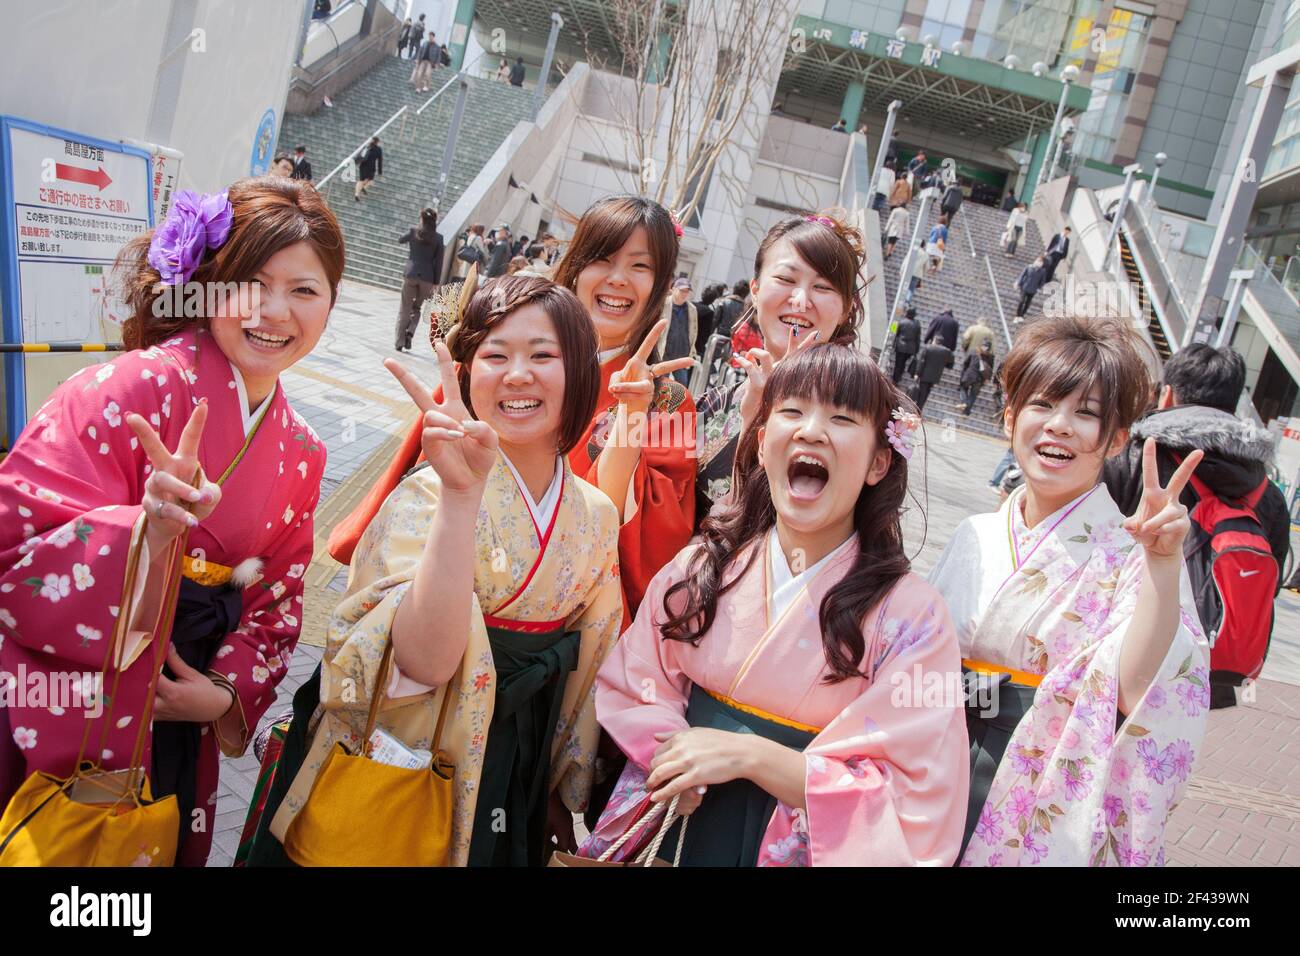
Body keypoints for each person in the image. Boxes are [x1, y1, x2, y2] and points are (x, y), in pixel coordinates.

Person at [0, 179, 342, 866]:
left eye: (304, 290)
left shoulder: (303, 449)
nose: (276, 313)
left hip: (183, 709)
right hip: (82, 700)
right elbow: (18, 544)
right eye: (252, 283)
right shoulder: (121, 390)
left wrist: (221, 694)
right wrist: (141, 535)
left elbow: (277, 598)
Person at [250, 275, 624, 867]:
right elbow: (422, 663)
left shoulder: (596, 516)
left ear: (580, 373)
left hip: (518, 761)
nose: (518, 373)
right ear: (468, 373)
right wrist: (460, 496)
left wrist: (560, 783)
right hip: (410, 748)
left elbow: (590, 661)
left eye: (543, 355)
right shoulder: (426, 498)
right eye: (495, 355)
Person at [581, 344, 968, 866]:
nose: (810, 430)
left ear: (879, 461)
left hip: (806, 841)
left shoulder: (914, 617)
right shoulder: (705, 566)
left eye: (841, 417)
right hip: (682, 815)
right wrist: (668, 748)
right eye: (792, 411)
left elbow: (920, 787)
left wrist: (755, 757)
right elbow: (635, 680)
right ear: (763, 446)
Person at [328, 195, 694, 621]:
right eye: (602, 258)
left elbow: (648, 534)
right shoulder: (498, 362)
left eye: (640, 266)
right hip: (448, 589)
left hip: (561, 621)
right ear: (575, 265)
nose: (618, 279)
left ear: (662, 283)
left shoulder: (673, 402)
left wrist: (632, 416)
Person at [929, 315, 1210, 866]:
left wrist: (1161, 562)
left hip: (1041, 782)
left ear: (1117, 440)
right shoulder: (975, 535)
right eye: (1041, 405)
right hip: (936, 762)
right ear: (1010, 416)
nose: (1059, 425)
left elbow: (1132, 690)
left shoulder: (1134, 556)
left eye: (1086, 414)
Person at [1102, 344, 1291, 708]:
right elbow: (1272, 582)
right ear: (1232, 405)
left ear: (1168, 394)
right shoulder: (1269, 493)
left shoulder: (1138, 456)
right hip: (1208, 672)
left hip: (1123, 650)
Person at [694, 213, 865, 525]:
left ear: (846, 307)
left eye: (823, 287)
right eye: (786, 280)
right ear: (756, 290)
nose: (800, 301)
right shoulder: (709, 406)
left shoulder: (866, 414)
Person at [395, 208, 445, 352]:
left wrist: (412, 232)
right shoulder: (438, 238)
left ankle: (399, 342)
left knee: (404, 309)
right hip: (428, 278)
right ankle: (410, 331)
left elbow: (400, 239)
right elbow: (439, 261)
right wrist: (436, 281)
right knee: (416, 308)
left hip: (411, 274)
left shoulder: (413, 231)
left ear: (422, 219)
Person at [661, 276, 698, 388]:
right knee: (660, 385)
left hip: (682, 353)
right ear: (673, 289)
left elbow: (694, 331)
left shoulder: (692, 309)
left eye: (687, 291)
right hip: (664, 353)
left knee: (682, 387)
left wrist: (691, 350)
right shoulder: (663, 304)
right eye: (682, 290)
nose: (685, 294)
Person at [912, 339, 951, 411]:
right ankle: (920, 408)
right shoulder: (946, 351)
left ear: (935, 341)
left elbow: (922, 362)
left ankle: (918, 408)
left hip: (925, 374)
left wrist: (917, 373)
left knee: (922, 392)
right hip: (935, 377)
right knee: (926, 392)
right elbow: (949, 363)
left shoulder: (928, 348)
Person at [960, 340, 995, 416]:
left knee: (963, 388)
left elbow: (965, 363)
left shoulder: (974, 352)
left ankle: (964, 403)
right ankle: (966, 412)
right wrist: (987, 379)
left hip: (970, 376)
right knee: (973, 395)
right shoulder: (991, 356)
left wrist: (963, 374)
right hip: (980, 379)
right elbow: (991, 369)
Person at [891, 306, 920, 385]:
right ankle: (899, 376)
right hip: (910, 348)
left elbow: (895, 333)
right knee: (903, 363)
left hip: (900, 346)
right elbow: (918, 338)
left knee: (898, 363)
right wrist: (916, 350)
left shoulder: (901, 322)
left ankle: (895, 379)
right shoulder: (917, 324)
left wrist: (893, 344)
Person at [353, 136, 382, 202]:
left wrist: (356, 162)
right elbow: (380, 160)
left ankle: (356, 194)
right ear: (377, 142)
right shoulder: (378, 149)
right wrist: (380, 171)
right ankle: (364, 188)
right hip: (371, 167)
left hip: (363, 165)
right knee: (371, 180)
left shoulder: (366, 147)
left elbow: (359, 155)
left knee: (361, 180)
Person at [902, 239, 927, 307]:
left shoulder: (913, 250)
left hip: (908, 270)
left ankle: (901, 298)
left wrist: (902, 269)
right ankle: (907, 302)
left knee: (904, 285)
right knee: (911, 289)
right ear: (924, 245)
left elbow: (906, 260)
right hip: (917, 274)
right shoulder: (925, 254)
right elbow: (926, 267)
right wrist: (922, 275)